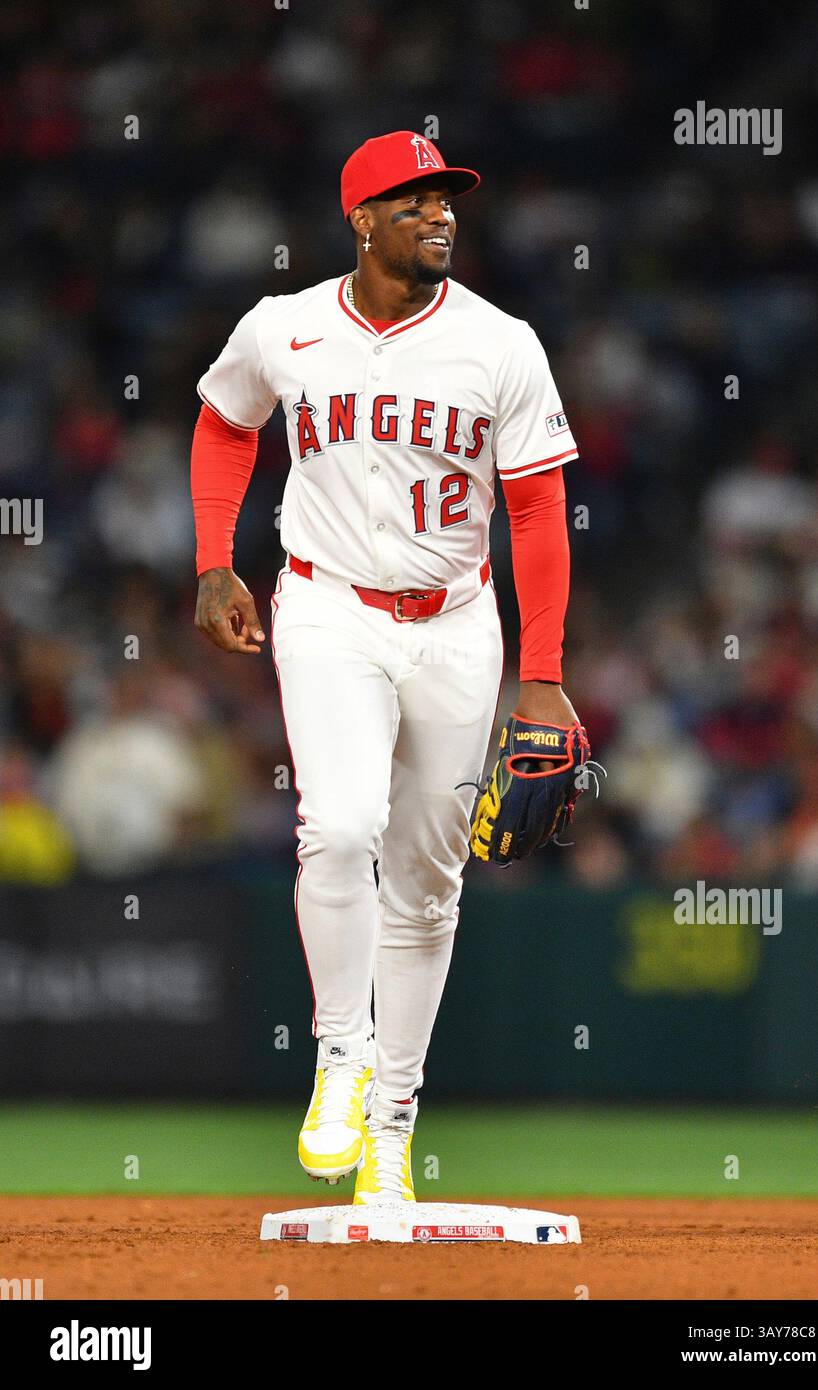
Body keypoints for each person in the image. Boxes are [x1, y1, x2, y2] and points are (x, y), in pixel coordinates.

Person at [190, 131, 578, 1204]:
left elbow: (539, 511)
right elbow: (224, 426)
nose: (440, 215)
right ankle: (339, 1057)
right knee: (340, 823)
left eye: (446, 200)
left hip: (457, 624)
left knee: (425, 877)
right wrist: (213, 561)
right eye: (414, 202)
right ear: (360, 220)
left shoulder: (500, 344)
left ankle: (393, 1128)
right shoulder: (286, 326)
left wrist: (539, 671)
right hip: (323, 604)